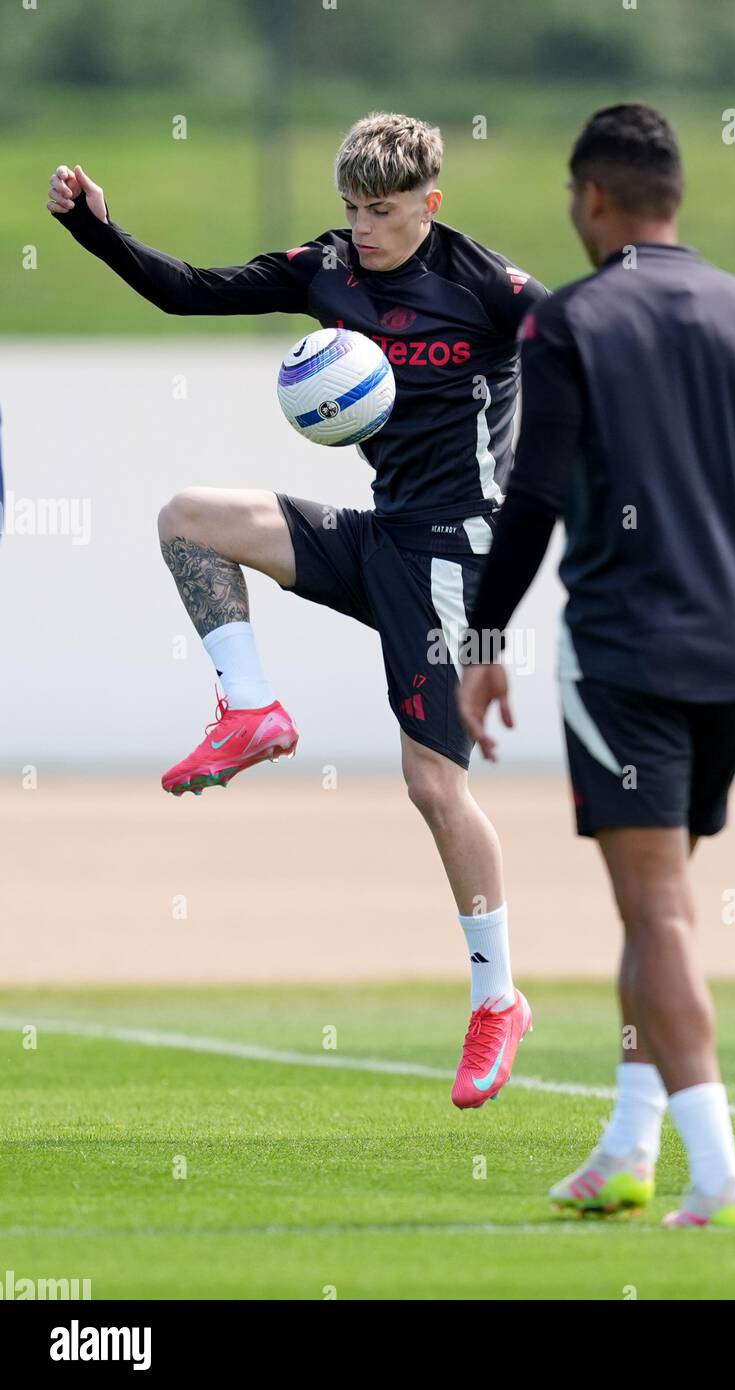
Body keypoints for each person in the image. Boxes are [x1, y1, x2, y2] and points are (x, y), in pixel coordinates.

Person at [47, 111, 547, 1110]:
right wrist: (99, 232)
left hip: (456, 551)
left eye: (383, 210)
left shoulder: (490, 289)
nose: (363, 226)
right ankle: (251, 709)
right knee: (188, 519)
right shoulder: (328, 268)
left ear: (429, 204)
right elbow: (191, 293)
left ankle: (497, 997)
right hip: (378, 529)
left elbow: (591, 349)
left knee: (432, 786)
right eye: (353, 207)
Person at [458, 104, 735, 1225]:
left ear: (590, 198)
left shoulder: (571, 322)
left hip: (625, 658)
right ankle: (625, 1147)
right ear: (673, 196)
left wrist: (482, 643)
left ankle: (718, 1174)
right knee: (649, 911)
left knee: (658, 912)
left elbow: (530, 500)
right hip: (733, 658)